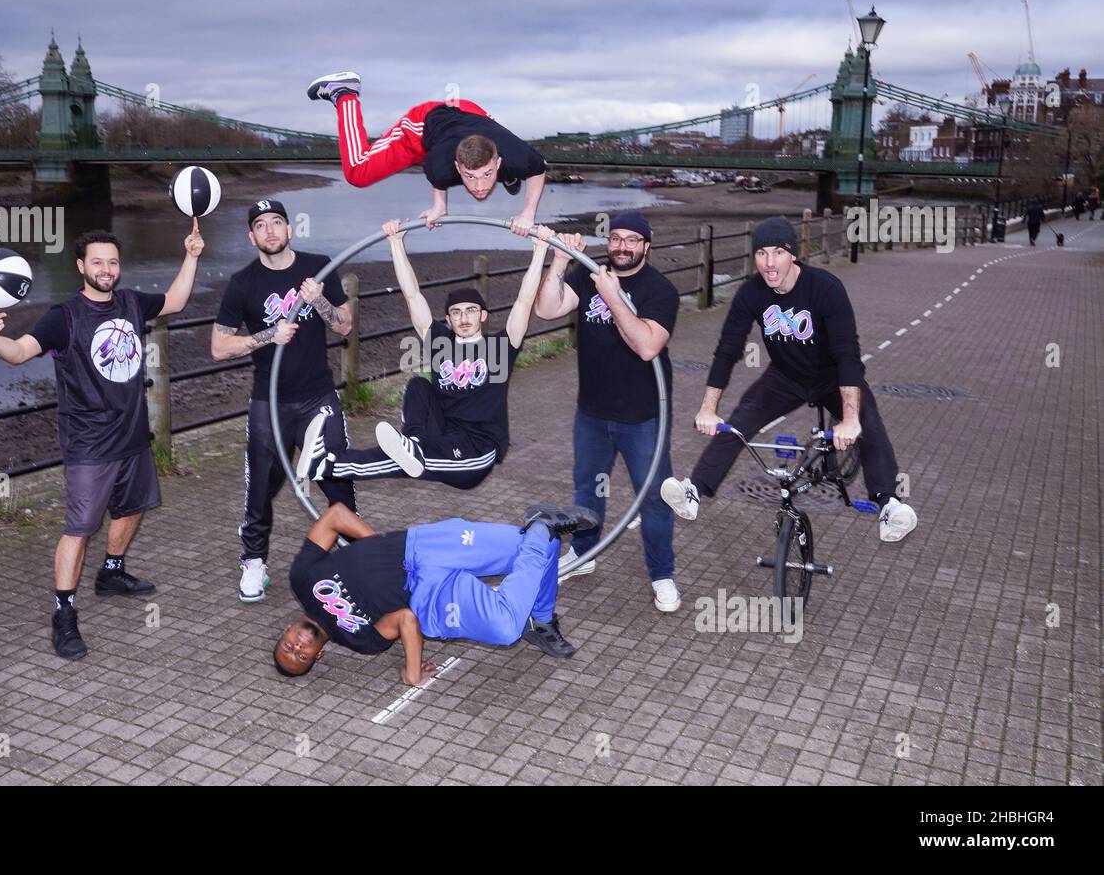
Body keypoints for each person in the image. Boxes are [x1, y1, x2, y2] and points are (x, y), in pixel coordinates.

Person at [0, 224, 204, 659]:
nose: (107, 269)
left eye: (113, 262)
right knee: (79, 530)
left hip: (133, 435)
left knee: (134, 507)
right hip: (88, 443)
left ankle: (112, 572)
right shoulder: (63, 317)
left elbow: (175, 301)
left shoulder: (132, 302)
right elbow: (20, 352)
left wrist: (191, 255)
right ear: (81, 266)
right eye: (97, 262)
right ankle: (64, 616)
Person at [660, 216, 918, 543]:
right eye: (761, 253)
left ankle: (888, 505)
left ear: (792, 254)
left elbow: (848, 355)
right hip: (785, 376)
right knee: (740, 420)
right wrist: (708, 409)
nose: (769, 263)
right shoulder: (751, 293)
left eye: (778, 253)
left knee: (868, 422)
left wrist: (850, 419)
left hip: (831, 376)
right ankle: (695, 491)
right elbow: (727, 350)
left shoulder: (825, 288)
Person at [297, 219, 550, 490]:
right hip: (439, 434)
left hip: (476, 451)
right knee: (419, 385)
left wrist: (540, 250)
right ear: (448, 319)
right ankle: (412, 442)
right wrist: (396, 243)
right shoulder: (440, 342)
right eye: (456, 312)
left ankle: (328, 465)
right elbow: (412, 294)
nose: (464, 318)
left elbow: (524, 300)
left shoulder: (501, 347)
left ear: (483, 315)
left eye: (471, 310)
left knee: (399, 461)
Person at [533, 211, 682, 613]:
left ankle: (662, 574)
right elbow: (546, 310)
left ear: (646, 247)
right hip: (592, 413)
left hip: (644, 416)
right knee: (588, 488)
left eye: (632, 240)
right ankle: (584, 552)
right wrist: (561, 260)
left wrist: (612, 296)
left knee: (653, 498)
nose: (621, 246)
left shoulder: (660, 290)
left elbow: (647, 346)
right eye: (616, 238)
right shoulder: (588, 274)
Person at [274, 502, 599, 682]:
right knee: (505, 627)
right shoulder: (356, 639)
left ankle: (540, 619)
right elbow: (405, 619)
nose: (297, 647)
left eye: (287, 646)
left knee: (539, 546)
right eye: (301, 657)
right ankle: (541, 530)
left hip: (422, 545)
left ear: (287, 630)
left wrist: (378, 546)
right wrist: (412, 674)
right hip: (431, 597)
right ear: (318, 655)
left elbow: (335, 516)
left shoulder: (301, 579)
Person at [211, 199, 356, 604]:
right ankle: (254, 562)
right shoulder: (242, 283)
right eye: (261, 225)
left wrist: (320, 299)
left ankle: (352, 552)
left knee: (337, 478)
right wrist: (266, 336)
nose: (270, 230)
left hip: (318, 396)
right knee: (260, 488)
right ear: (251, 236)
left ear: (290, 229)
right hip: (269, 402)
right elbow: (219, 348)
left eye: (277, 222)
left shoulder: (319, 266)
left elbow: (345, 325)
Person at [306, 71, 546, 235]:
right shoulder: (438, 166)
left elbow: (539, 168)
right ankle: (345, 92)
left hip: (474, 116)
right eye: (469, 178)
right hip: (426, 125)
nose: (479, 186)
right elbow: (439, 188)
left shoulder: (516, 153)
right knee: (358, 172)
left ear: (499, 160)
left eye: (487, 175)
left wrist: (527, 214)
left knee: (514, 163)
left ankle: (508, 174)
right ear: (457, 168)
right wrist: (439, 207)